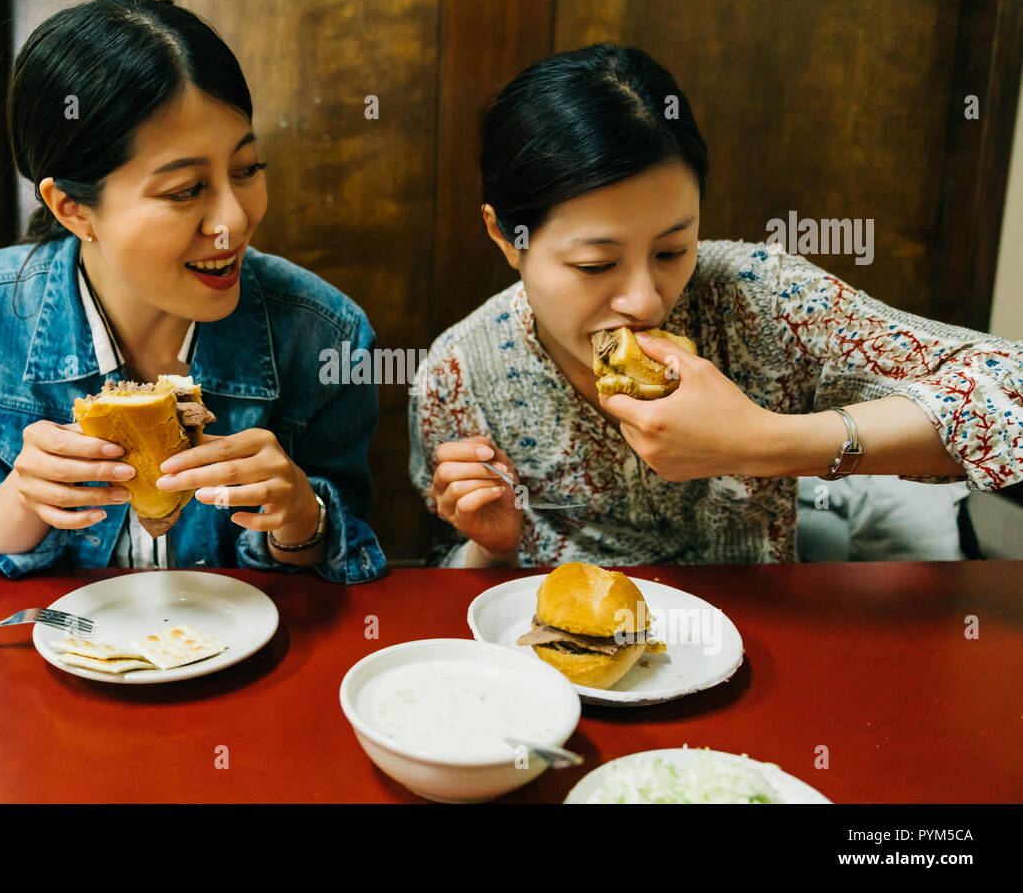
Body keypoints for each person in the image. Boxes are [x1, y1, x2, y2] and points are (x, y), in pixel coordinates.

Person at [409, 43, 1023, 567]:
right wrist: (490, 549)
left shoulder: (760, 297)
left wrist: (767, 441)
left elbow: (1011, 391)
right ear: (505, 237)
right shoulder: (459, 371)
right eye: (595, 265)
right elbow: (450, 578)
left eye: (673, 250)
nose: (644, 300)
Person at [0, 0, 387, 584]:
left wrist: (301, 517)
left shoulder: (324, 334)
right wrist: (25, 500)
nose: (232, 221)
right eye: (185, 190)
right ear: (74, 209)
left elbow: (343, 569)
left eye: (247, 169)